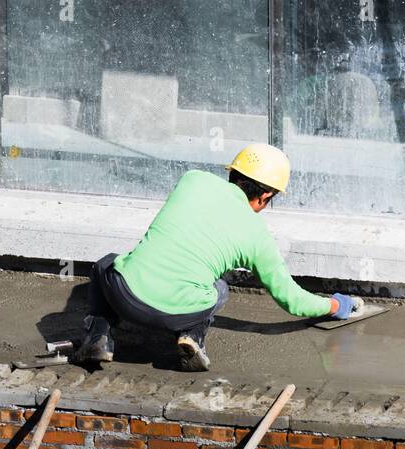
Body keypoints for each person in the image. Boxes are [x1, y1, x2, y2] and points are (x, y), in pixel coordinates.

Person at [74, 143, 358, 372]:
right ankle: (192, 337)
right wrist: (335, 304)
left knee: (105, 264)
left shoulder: (193, 180)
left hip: (123, 295)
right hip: (177, 314)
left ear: (233, 173)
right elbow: (292, 300)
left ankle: (99, 336)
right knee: (218, 288)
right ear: (266, 195)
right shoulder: (258, 237)